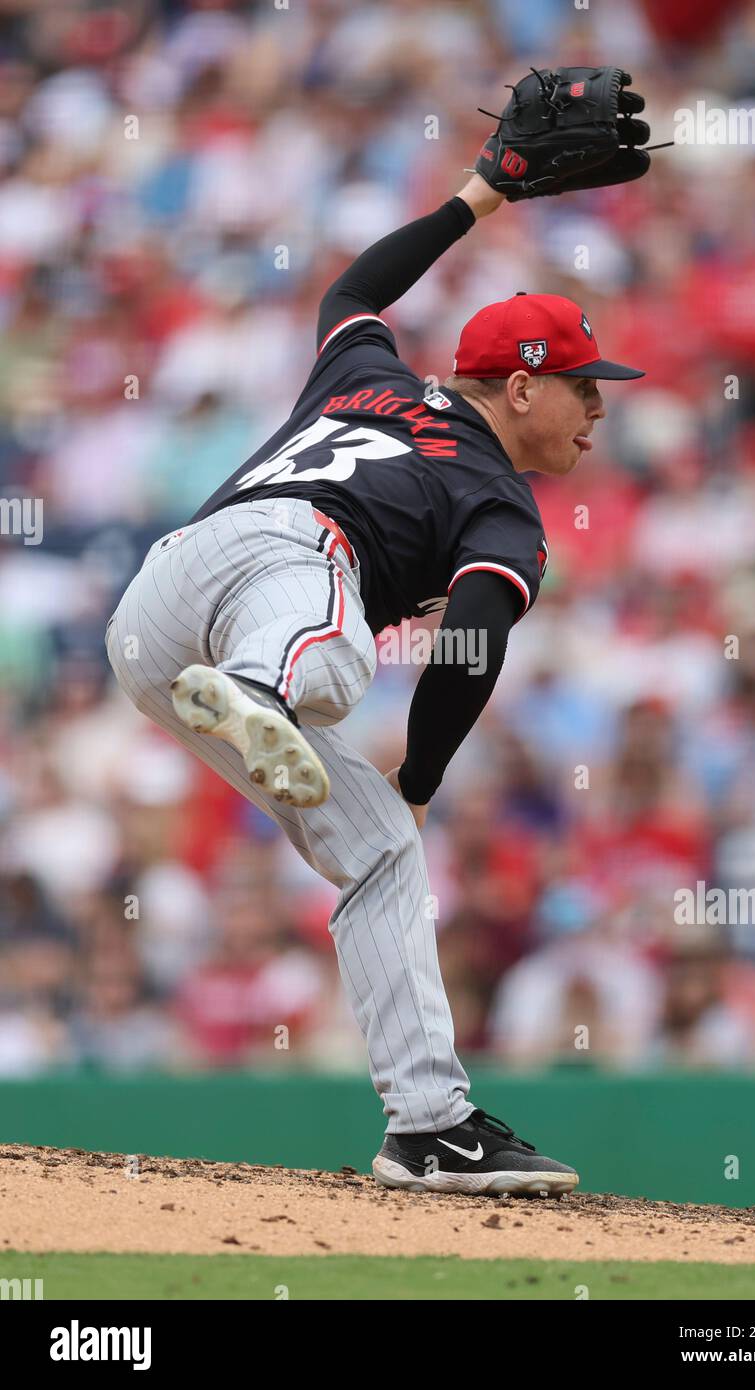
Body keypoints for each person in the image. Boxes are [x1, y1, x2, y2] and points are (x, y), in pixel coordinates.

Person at [106, 163, 644, 1197]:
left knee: (381, 853)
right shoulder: (496, 501)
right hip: (275, 565)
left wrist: (478, 195)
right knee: (334, 617)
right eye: (585, 387)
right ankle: (265, 690)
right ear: (522, 387)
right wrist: (424, 774)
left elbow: (350, 293)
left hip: (157, 625)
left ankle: (429, 1126)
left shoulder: (367, 378)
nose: (597, 409)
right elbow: (473, 636)